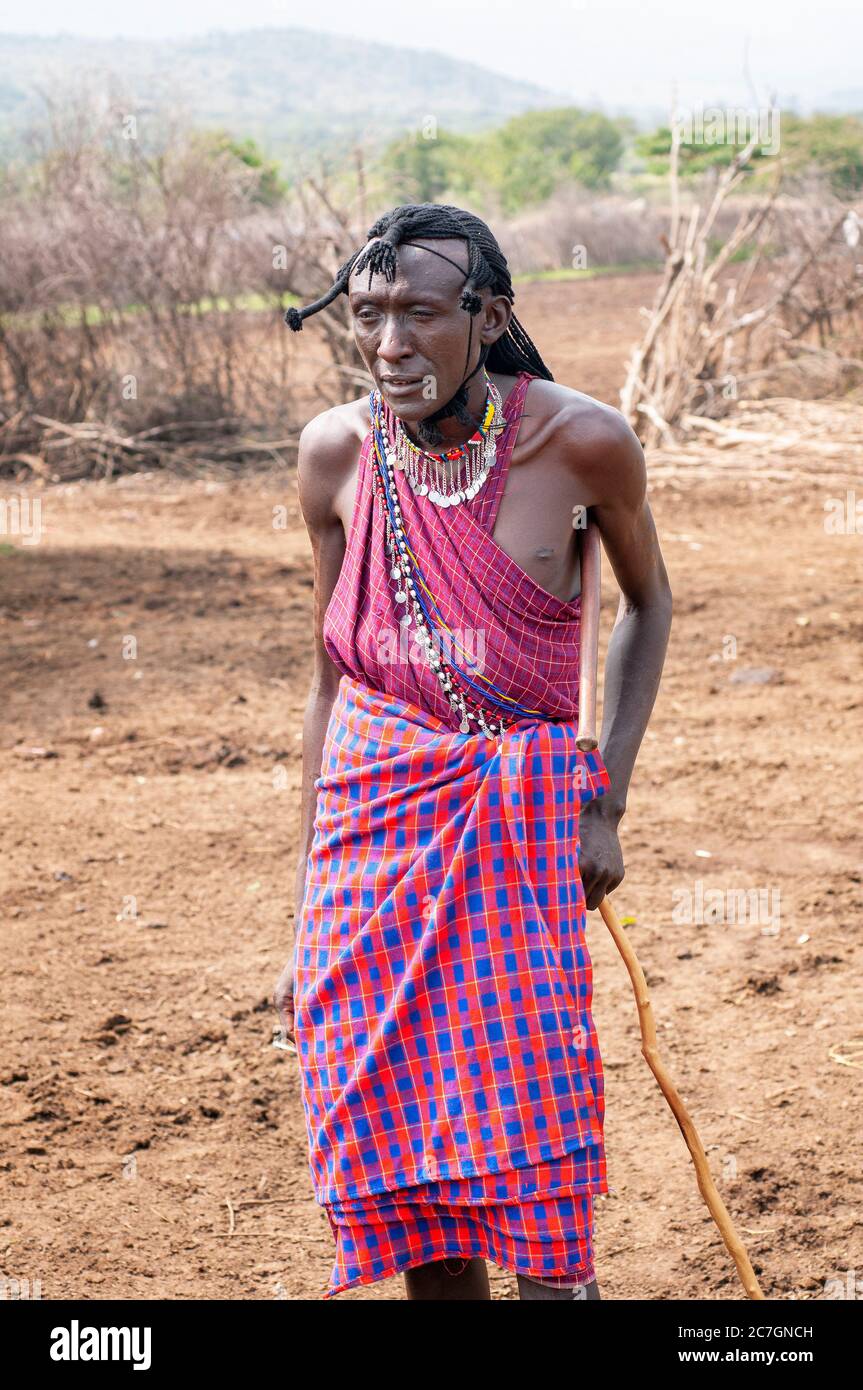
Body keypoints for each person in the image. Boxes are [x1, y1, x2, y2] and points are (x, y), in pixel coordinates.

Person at [273, 203, 672, 1300]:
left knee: (532, 1151)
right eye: (367, 317)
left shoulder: (580, 441)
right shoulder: (332, 458)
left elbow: (647, 603)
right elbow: (329, 677)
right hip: (372, 836)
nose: (390, 346)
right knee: (407, 1175)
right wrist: (310, 900)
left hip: (517, 834)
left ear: (487, 314)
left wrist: (604, 796)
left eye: (419, 314)